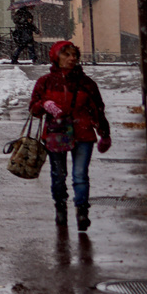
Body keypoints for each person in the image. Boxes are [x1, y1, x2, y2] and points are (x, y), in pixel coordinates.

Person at [29, 40, 112, 231]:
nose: (71, 58)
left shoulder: (85, 83)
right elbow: (33, 108)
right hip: (55, 134)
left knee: (80, 175)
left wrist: (104, 134)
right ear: (56, 57)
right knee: (58, 174)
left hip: (83, 134)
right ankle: (60, 208)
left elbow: (98, 110)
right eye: (66, 54)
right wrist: (44, 105)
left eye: (74, 55)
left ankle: (82, 211)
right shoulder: (45, 82)